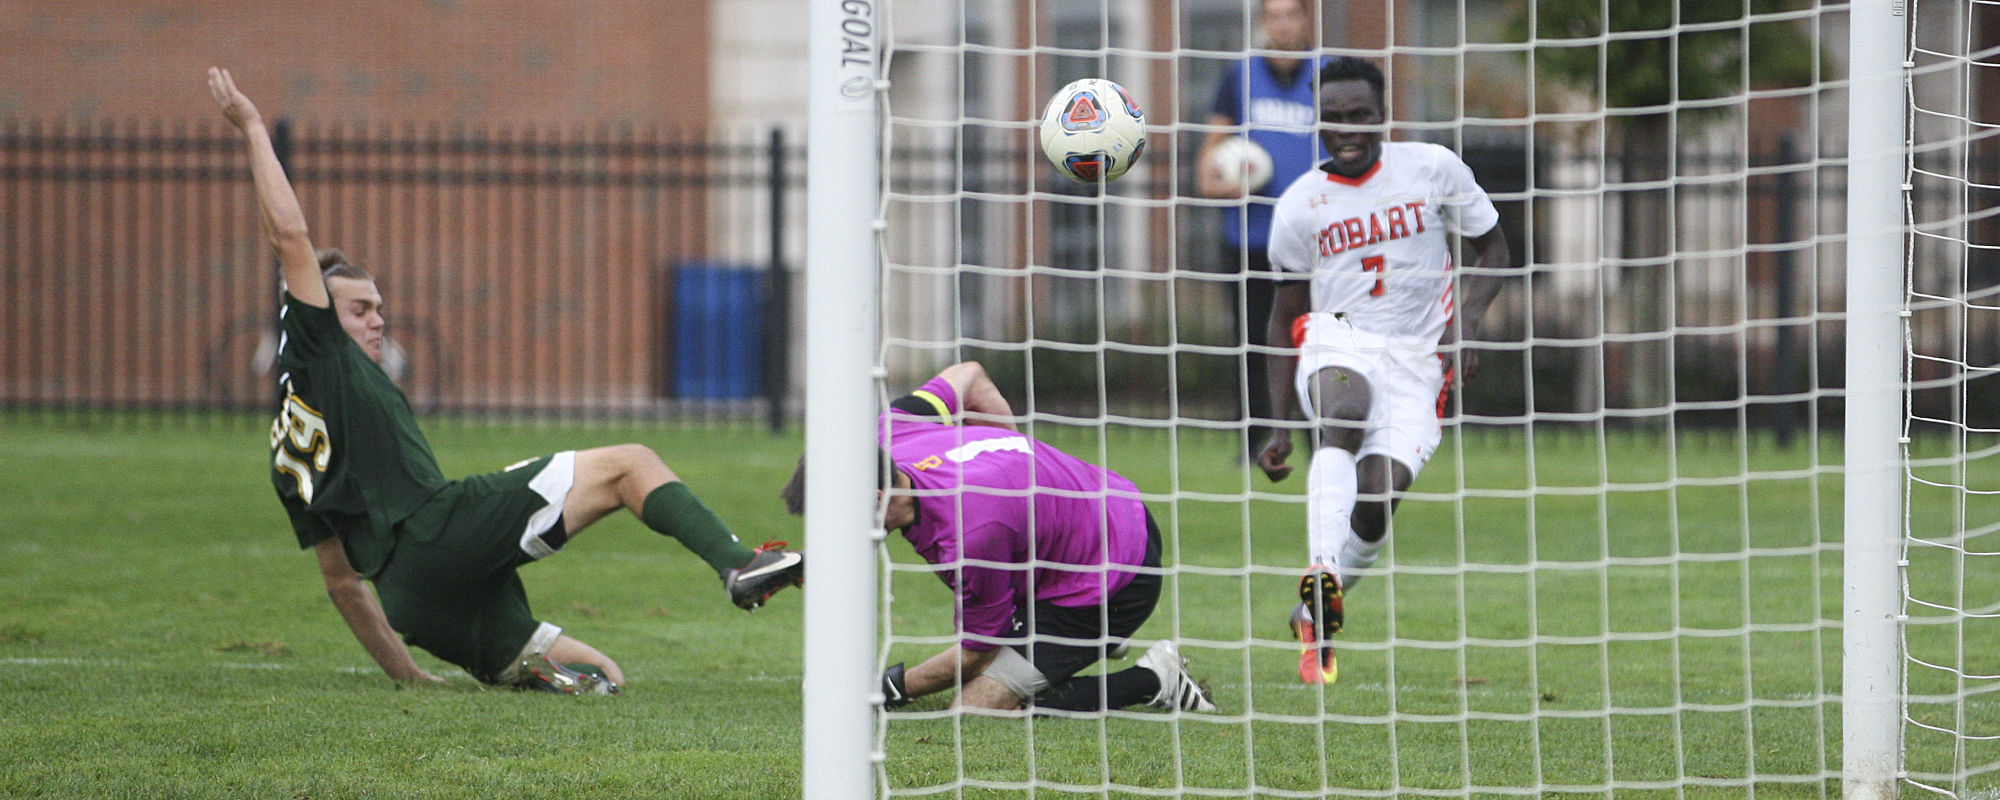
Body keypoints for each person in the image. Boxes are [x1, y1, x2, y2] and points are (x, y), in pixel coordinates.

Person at [209, 67, 804, 695]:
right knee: (630, 464)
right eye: (361, 310)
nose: (378, 320)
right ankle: (739, 563)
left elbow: (341, 581)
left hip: (415, 597)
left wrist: (406, 673)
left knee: (606, 678)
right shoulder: (317, 344)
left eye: (380, 307)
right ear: (317, 313)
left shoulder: (285, 441)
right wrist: (252, 127)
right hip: (440, 535)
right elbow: (289, 235)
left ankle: (527, 664)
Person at [1258, 57, 1512, 685]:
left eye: (1359, 117)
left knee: (1374, 505)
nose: (1346, 130)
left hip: (1419, 361)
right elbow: (1282, 316)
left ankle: (1318, 607)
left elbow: (1496, 249)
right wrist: (1278, 423)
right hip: (1338, 338)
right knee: (1343, 416)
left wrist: (1468, 322)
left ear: (1383, 117)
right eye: (1333, 119)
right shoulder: (1298, 207)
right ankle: (1321, 574)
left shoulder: (1431, 168)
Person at [780, 361, 1215, 713]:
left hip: (1117, 576)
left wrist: (889, 688)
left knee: (977, 705)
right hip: (1106, 509)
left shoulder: (974, 533)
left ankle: (1155, 677)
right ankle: (1075, 641)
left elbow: (974, 655)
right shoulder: (888, 432)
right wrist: (1006, 443)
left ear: (876, 499)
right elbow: (968, 374)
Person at [1195, 0, 1328, 460]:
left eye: (1292, 13)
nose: (1284, 23)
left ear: (1306, 19)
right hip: (1249, 238)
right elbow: (1207, 169)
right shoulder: (1240, 76)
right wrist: (1230, 183)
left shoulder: (1329, 73)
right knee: (1251, 343)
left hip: (1317, 240)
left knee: (1318, 340)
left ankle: (1322, 439)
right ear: (1263, 22)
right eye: (1274, 14)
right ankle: (1254, 440)